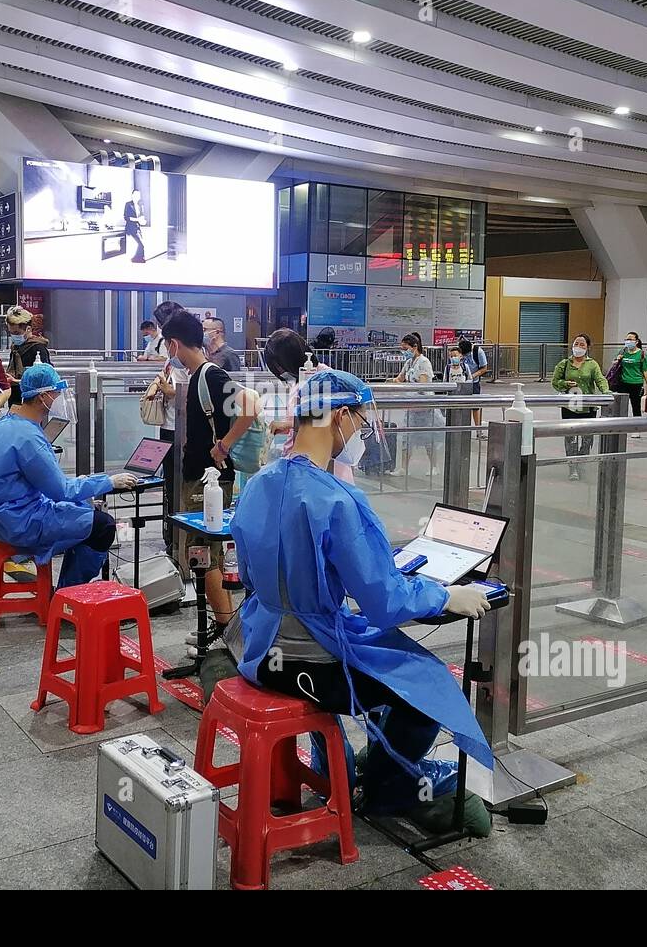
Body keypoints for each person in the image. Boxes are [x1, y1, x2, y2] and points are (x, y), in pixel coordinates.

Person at [228, 370, 495, 830]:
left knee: (385, 655)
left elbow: (251, 575)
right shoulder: (338, 500)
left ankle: (364, 762)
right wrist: (447, 595)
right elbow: (384, 603)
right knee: (425, 685)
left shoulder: (258, 483)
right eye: (360, 422)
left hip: (257, 650)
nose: (360, 434)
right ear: (341, 416)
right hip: (311, 664)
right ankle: (388, 791)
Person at [0, 365, 139, 586]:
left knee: (83, 513)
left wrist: (83, 489)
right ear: (43, 397)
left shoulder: (1, 426)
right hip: (18, 523)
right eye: (57, 394)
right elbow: (62, 491)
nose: (60, 400)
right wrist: (108, 482)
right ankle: (67, 595)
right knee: (103, 526)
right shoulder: (29, 438)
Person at [155, 310, 258, 629]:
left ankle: (226, 628)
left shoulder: (210, 375)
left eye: (166, 346)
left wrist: (223, 445)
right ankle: (221, 625)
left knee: (204, 553)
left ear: (174, 344)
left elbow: (251, 405)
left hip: (208, 479)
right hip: (199, 479)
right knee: (200, 554)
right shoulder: (198, 375)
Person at [263, 328, 355, 483]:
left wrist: (290, 423)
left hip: (318, 465)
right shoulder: (300, 378)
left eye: (278, 367)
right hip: (302, 463)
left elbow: (326, 420)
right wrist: (290, 425)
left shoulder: (323, 379)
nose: (279, 372)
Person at [139, 300, 186, 545]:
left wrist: (169, 391)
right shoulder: (171, 350)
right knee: (169, 483)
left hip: (179, 428)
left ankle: (176, 537)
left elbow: (187, 390)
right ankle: (170, 536)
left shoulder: (186, 349)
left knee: (178, 484)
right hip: (168, 425)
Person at [551, 334, 609, 480]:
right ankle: (572, 467)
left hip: (588, 407)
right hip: (569, 406)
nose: (578, 347)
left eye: (582, 344)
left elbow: (600, 379)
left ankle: (581, 461)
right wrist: (565, 384)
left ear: (588, 347)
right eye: (576, 343)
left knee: (587, 438)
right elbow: (555, 381)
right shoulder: (564, 363)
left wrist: (606, 392)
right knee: (570, 438)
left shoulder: (592, 364)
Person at [392, 332, 439, 476]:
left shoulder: (423, 362)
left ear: (414, 347)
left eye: (405, 348)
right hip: (410, 405)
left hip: (423, 407)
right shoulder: (408, 362)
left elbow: (423, 384)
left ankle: (434, 467)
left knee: (427, 438)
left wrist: (412, 386)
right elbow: (399, 378)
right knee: (406, 438)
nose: (404, 351)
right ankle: (403, 468)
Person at [5, 307, 52, 405]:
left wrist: (17, 381)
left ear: (28, 329)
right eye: (11, 333)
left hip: (33, 402)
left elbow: (44, 380)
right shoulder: (15, 348)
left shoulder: (38, 348)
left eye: (17, 333)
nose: (13, 336)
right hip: (15, 398)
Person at [614, 332, 647, 425]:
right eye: (627, 339)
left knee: (636, 406)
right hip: (623, 383)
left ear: (636, 341)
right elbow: (615, 365)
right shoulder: (623, 352)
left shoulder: (642, 354)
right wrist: (617, 359)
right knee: (621, 406)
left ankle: (637, 427)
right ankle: (620, 424)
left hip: (636, 383)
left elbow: (646, 371)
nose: (628, 341)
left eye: (631, 339)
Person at [459, 338, 488, 435]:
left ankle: (478, 431)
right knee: (461, 406)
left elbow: (484, 368)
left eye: (465, 355)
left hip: (474, 382)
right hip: (461, 382)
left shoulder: (478, 352)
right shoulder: (460, 351)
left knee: (475, 407)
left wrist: (473, 376)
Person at [124, 189, 147, 263]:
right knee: (141, 244)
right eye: (135, 195)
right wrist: (137, 219)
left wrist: (143, 221)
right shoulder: (128, 204)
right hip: (131, 228)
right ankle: (138, 259)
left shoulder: (140, 205)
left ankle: (137, 258)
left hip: (138, 228)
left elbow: (142, 217)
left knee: (142, 244)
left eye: (138, 195)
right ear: (132, 195)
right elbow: (126, 217)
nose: (137, 196)